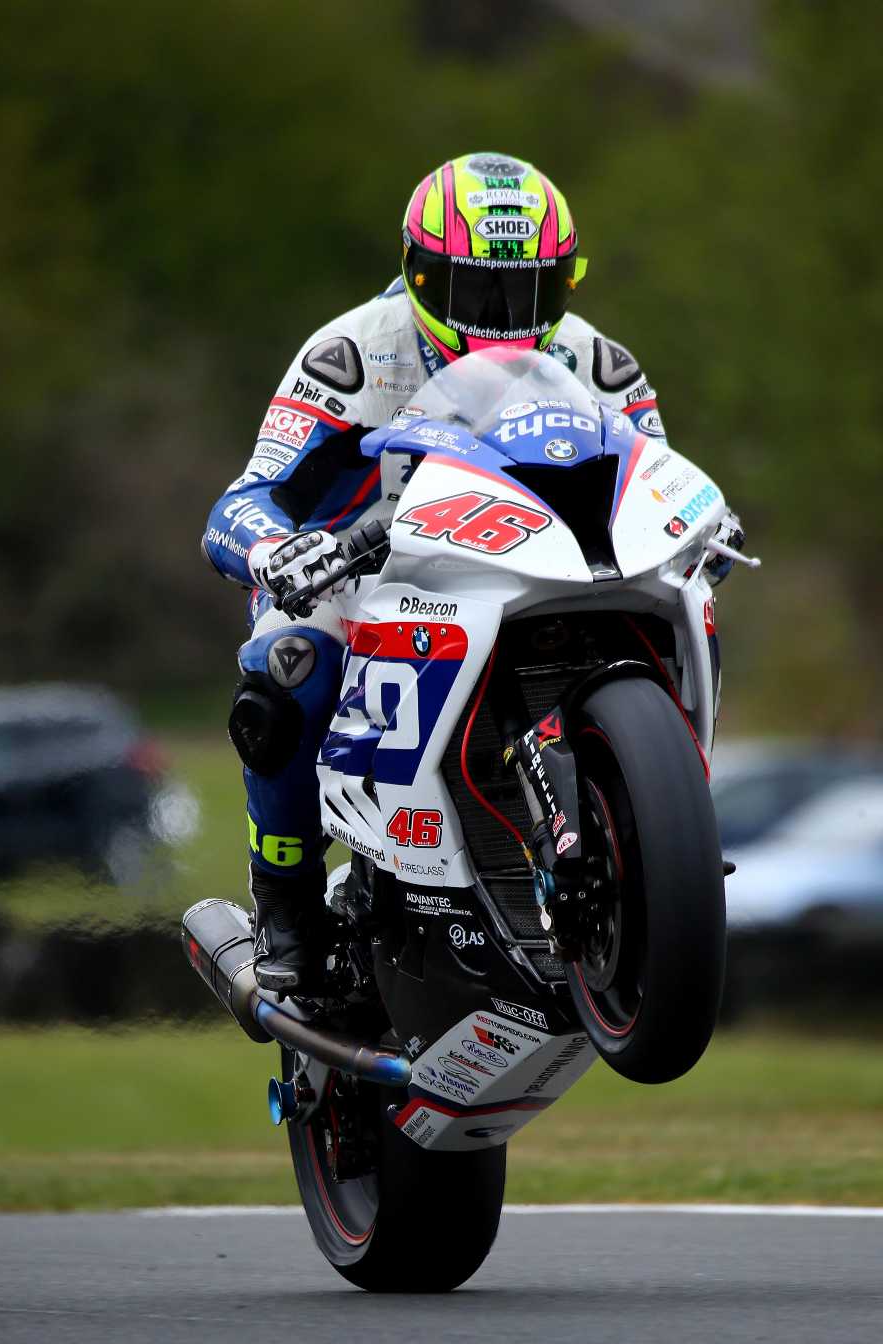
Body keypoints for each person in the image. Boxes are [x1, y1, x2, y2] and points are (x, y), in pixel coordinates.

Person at [202, 150, 675, 1000]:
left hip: (547, 569)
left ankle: (646, 847)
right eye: (477, 293)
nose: (501, 317)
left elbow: (660, 475)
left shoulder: (600, 364)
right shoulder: (350, 354)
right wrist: (281, 551)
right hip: (374, 578)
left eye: (526, 294)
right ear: (420, 275)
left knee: (680, 607)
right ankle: (286, 907)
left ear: (565, 284)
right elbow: (242, 500)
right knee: (286, 672)